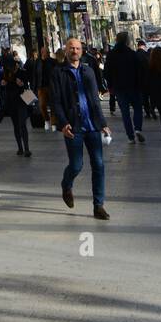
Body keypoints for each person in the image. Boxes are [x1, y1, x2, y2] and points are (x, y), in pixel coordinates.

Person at [50, 36, 111, 219]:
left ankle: (98, 205)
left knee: (98, 165)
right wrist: (62, 123)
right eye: (71, 48)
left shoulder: (88, 71)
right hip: (73, 127)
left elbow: (94, 101)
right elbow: (56, 101)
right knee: (76, 165)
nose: (74, 51)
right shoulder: (58, 73)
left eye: (77, 48)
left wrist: (103, 124)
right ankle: (66, 185)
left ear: (81, 51)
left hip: (92, 126)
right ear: (66, 51)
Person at [104, 31, 145, 143]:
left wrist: (110, 85)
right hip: (133, 86)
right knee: (137, 108)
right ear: (127, 41)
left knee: (125, 112)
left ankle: (130, 137)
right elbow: (139, 70)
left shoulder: (111, 55)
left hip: (119, 87)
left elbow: (106, 72)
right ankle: (137, 128)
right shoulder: (132, 53)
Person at [2, 56, 32, 157]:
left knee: (22, 124)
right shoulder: (6, 73)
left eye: (12, 67)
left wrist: (22, 84)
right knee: (16, 126)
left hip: (22, 101)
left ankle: (27, 149)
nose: (11, 69)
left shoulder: (22, 72)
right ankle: (20, 148)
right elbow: (4, 87)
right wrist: (3, 84)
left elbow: (27, 86)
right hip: (11, 103)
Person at [34, 44, 56, 132]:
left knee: (53, 105)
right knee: (42, 105)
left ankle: (53, 123)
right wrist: (34, 87)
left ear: (48, 53)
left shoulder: (52, 62)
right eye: (42, 52)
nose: (43, 53)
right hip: (41, 87)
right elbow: (35, 75)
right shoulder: (38, 62)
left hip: (51, 87)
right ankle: (47, 120)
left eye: (45, 52)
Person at [136, 39, 154, 119]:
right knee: (152, 95)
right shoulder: (148, 55)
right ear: (143, 46)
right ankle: (152, 109)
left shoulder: (135, 55)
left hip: (140, 80)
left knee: (144, 97)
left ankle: (147, 112)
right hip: (150, 79)